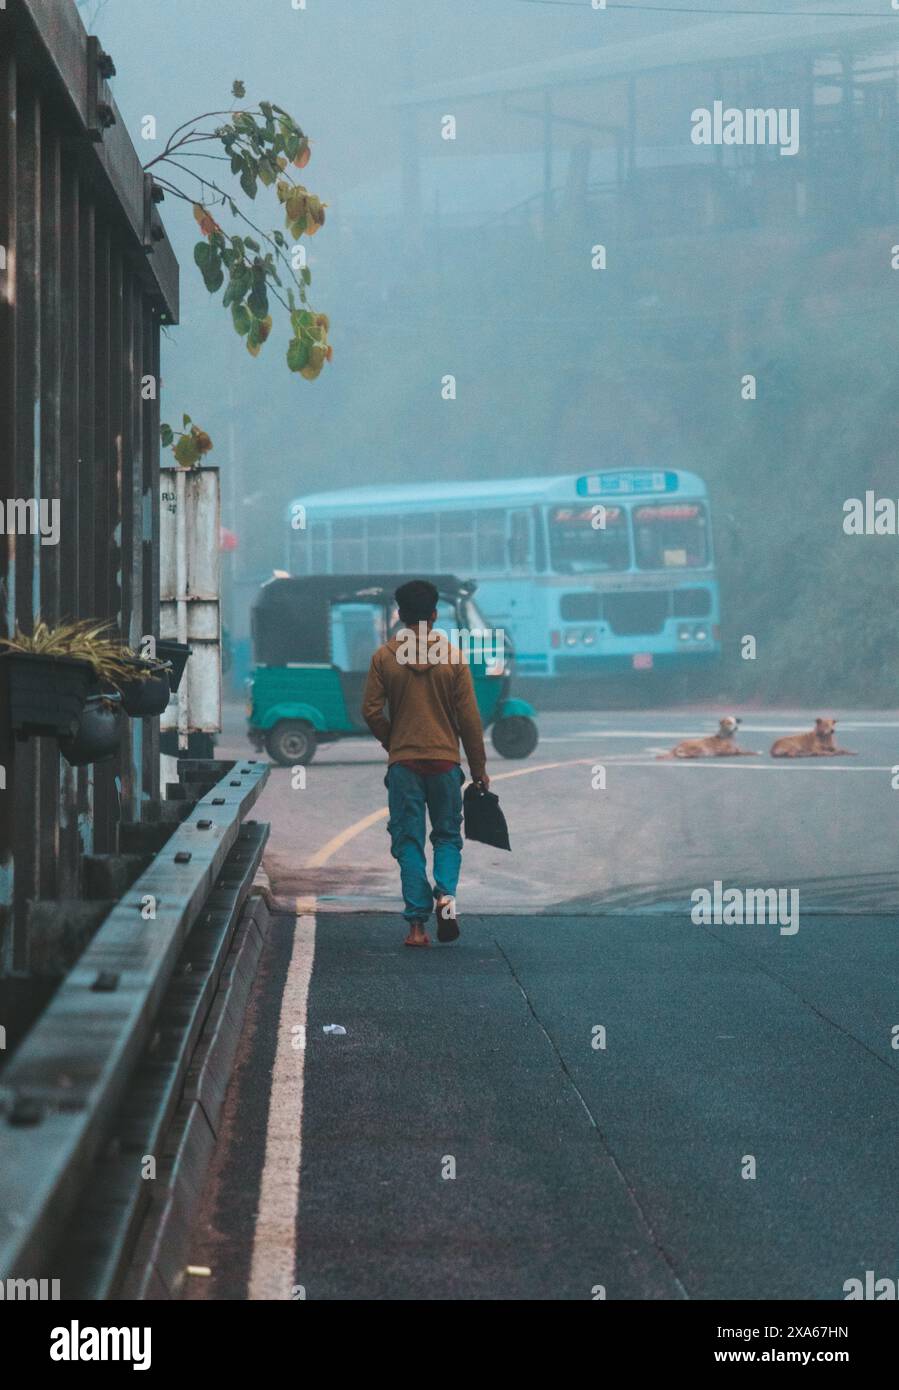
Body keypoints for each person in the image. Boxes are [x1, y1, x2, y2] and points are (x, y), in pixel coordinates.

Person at [362, 579, 489, 947]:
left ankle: (416, 928)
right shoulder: (453, 658)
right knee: (447, 837)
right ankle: (445, 895)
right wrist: (478, 770)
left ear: (400, 616)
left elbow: (370, 710)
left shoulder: (385, 657)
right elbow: (469, 721)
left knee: (408, 841)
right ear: (434, 614)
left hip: (405, 766)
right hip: (445, 764)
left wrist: (393, 740)